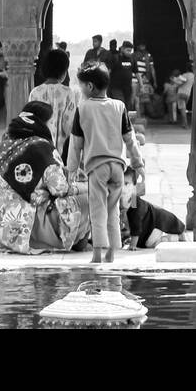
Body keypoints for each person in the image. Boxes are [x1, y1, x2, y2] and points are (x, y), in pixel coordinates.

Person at [0, 100, 91, 254]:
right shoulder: (41, 147)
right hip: (23, 226)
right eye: (51, 122)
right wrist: (85, 187)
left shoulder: (8, 144)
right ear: (42, 123)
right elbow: (60, 189)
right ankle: (78, 243)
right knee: (87, 198)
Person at [67, 62, 144, 266]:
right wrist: (138, 163)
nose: (80, 89)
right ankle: (111, 252)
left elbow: (76, 145)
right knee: (113, 209)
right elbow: (130, 138)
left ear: (90, 86)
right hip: (118, 167)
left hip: (97, 168)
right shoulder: (119, 106)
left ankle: (97, 254)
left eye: (81, 85)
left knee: (97, 209)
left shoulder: (83, 108)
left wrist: (71, 170)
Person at [29, 48, 80, 160]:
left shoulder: (35, 92)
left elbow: (30, 122)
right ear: (63, 72)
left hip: (39, 151)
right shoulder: (67, 93)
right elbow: (69, 126)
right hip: (60, 154)